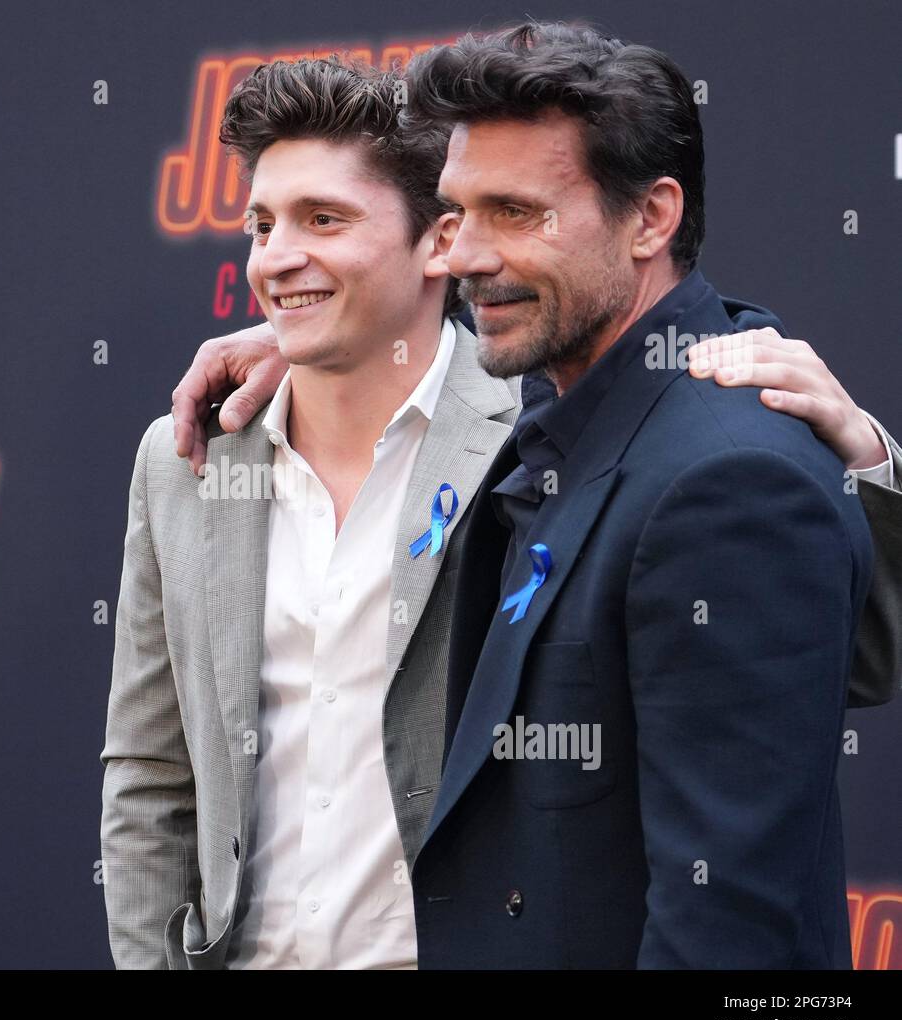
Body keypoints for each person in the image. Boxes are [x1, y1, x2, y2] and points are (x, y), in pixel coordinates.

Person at [107, 36, 901, 972]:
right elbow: (152, 776)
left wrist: (869, 457)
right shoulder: (201, 449)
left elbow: (821, 689)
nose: (469, 253)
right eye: (264, 226)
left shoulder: (584, 437)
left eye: (325, 219)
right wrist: (325, 329)